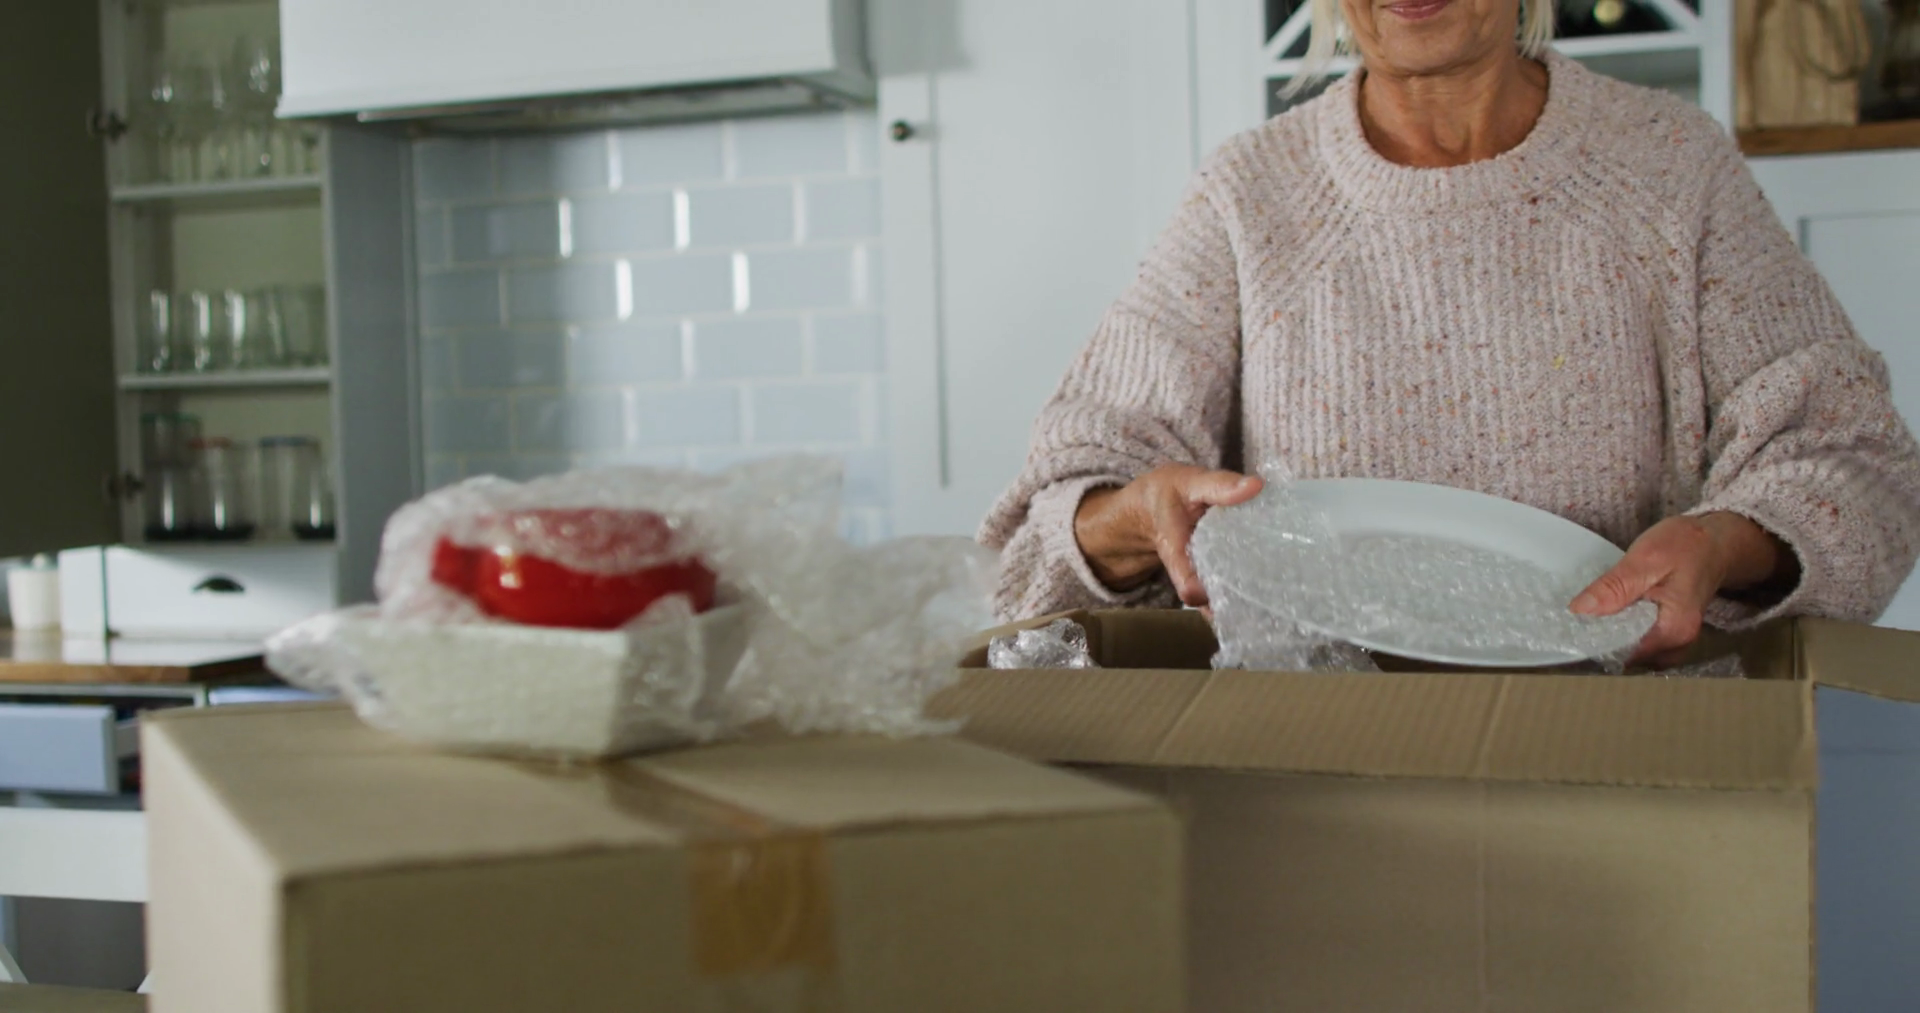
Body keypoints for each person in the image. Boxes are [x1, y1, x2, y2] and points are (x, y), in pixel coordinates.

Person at [980, 0, 1920, 663]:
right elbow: (1040, 538)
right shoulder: (1247, 194)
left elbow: (1856, 463)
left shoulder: (1674, 167)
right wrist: (1135, 518)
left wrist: (1726, 540)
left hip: (1624, 747)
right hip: (1317, 767)